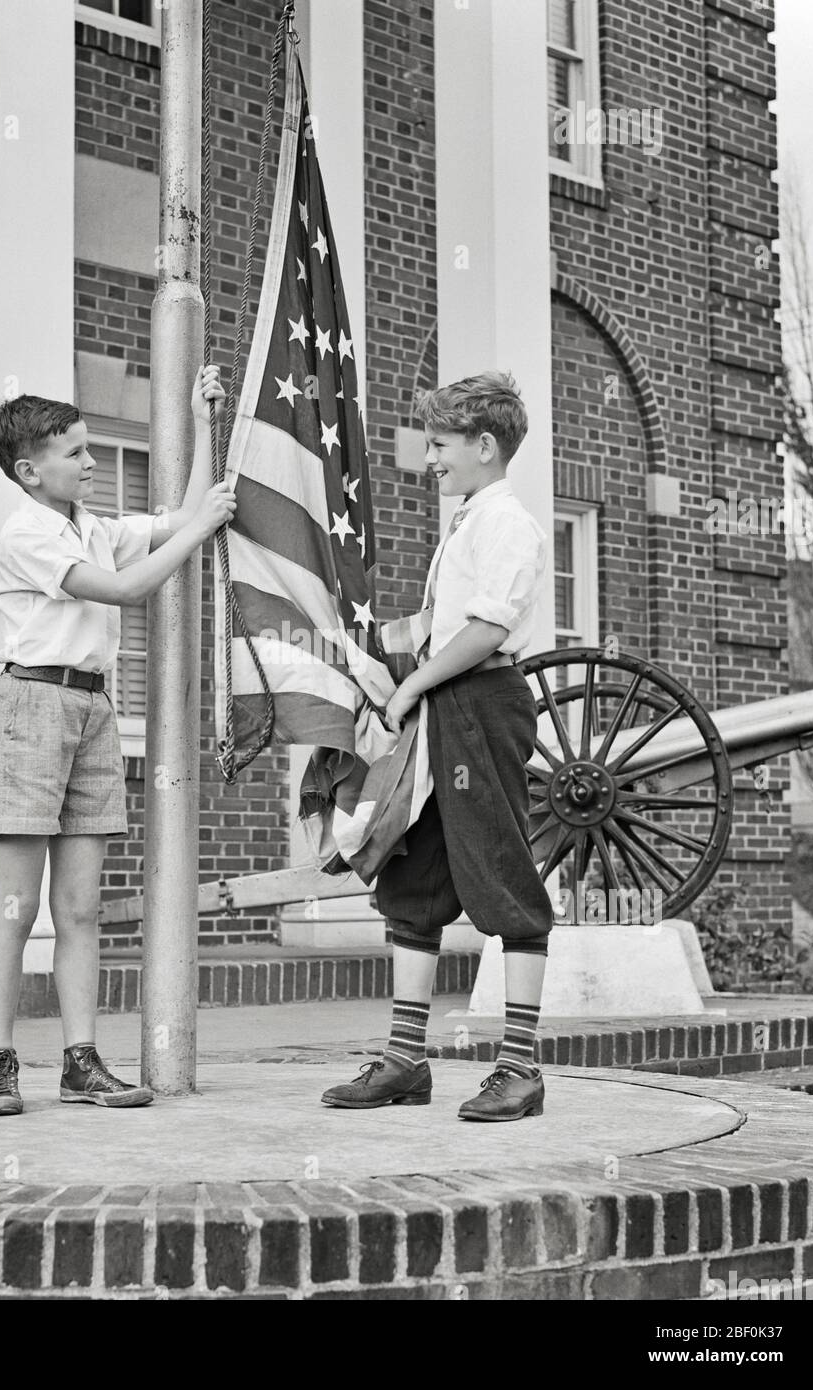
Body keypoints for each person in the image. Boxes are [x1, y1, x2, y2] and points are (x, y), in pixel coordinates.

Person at [0, 367, 232, 1116]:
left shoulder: (92, 525)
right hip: (29, 705)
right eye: (77, 453)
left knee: (80, 907)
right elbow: (125, 588)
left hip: (90, 711)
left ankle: (80, 1061)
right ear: (30, 470)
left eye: (90, 449)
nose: (91, 463)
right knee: (18, 902)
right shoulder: (26, 532)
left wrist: (203, 422)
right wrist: (198, 531)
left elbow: (185, 510)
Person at [321, 371, 554, 1121]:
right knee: (415, 872)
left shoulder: (507, 523)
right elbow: (439, 624)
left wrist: (414, 684)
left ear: (485, 447)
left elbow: (485, 629)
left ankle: (520, 1066)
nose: (430, 459)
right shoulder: (468, 522)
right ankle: (404, 1060)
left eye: (442, 444)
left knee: (498, 868)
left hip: (482, 703)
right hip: (447, 700)